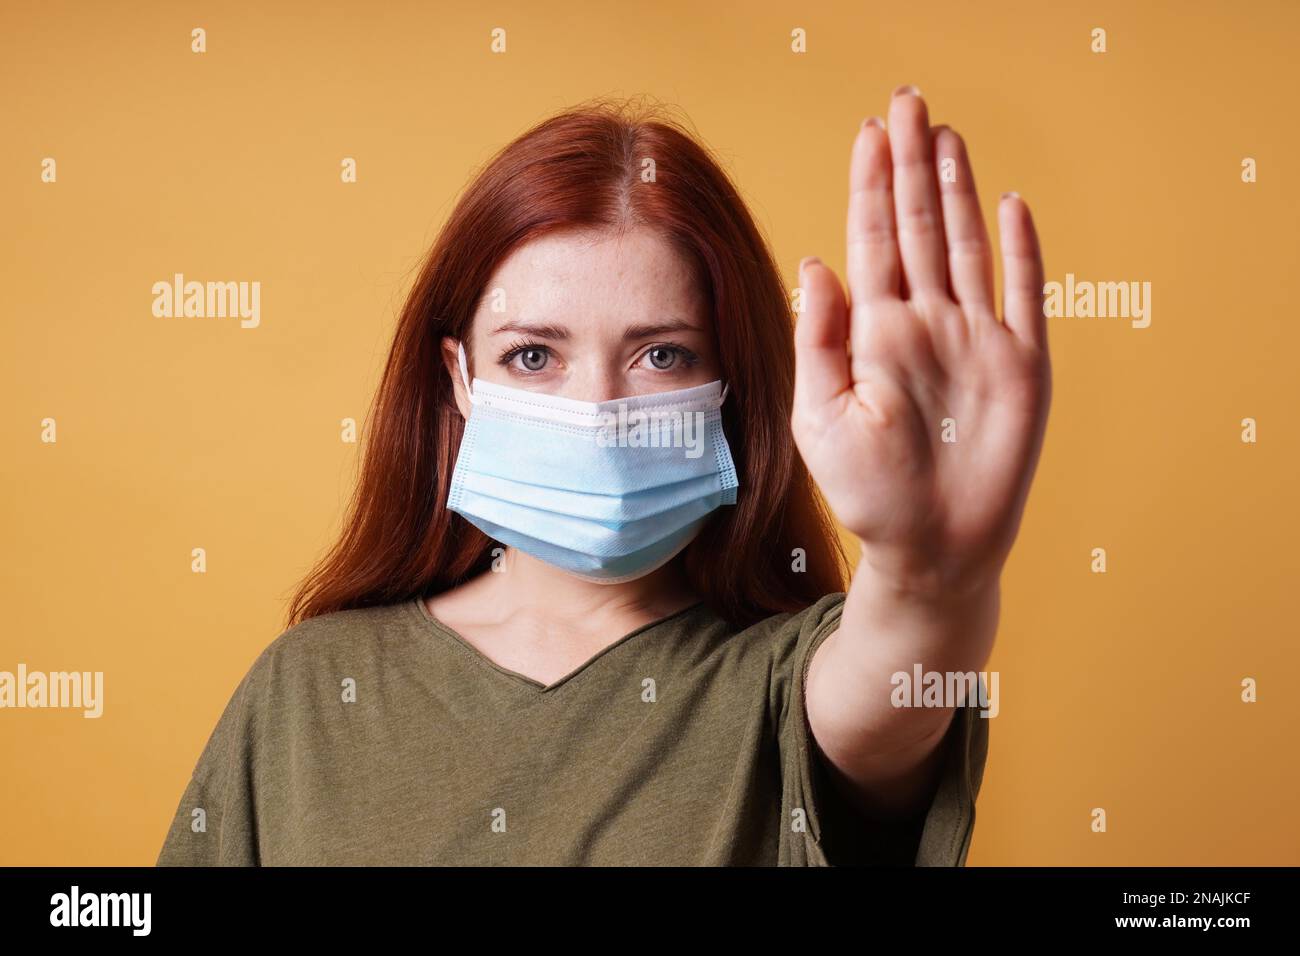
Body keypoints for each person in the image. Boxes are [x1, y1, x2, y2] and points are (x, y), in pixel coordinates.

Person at [156, 85, 1049, 866]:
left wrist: (930, 569)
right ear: (460, 378)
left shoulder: (785, 693)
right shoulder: (308, 690)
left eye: (662, 353)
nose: (597, 409)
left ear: (729, 384)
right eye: (534, 355)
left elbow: (898, 669)